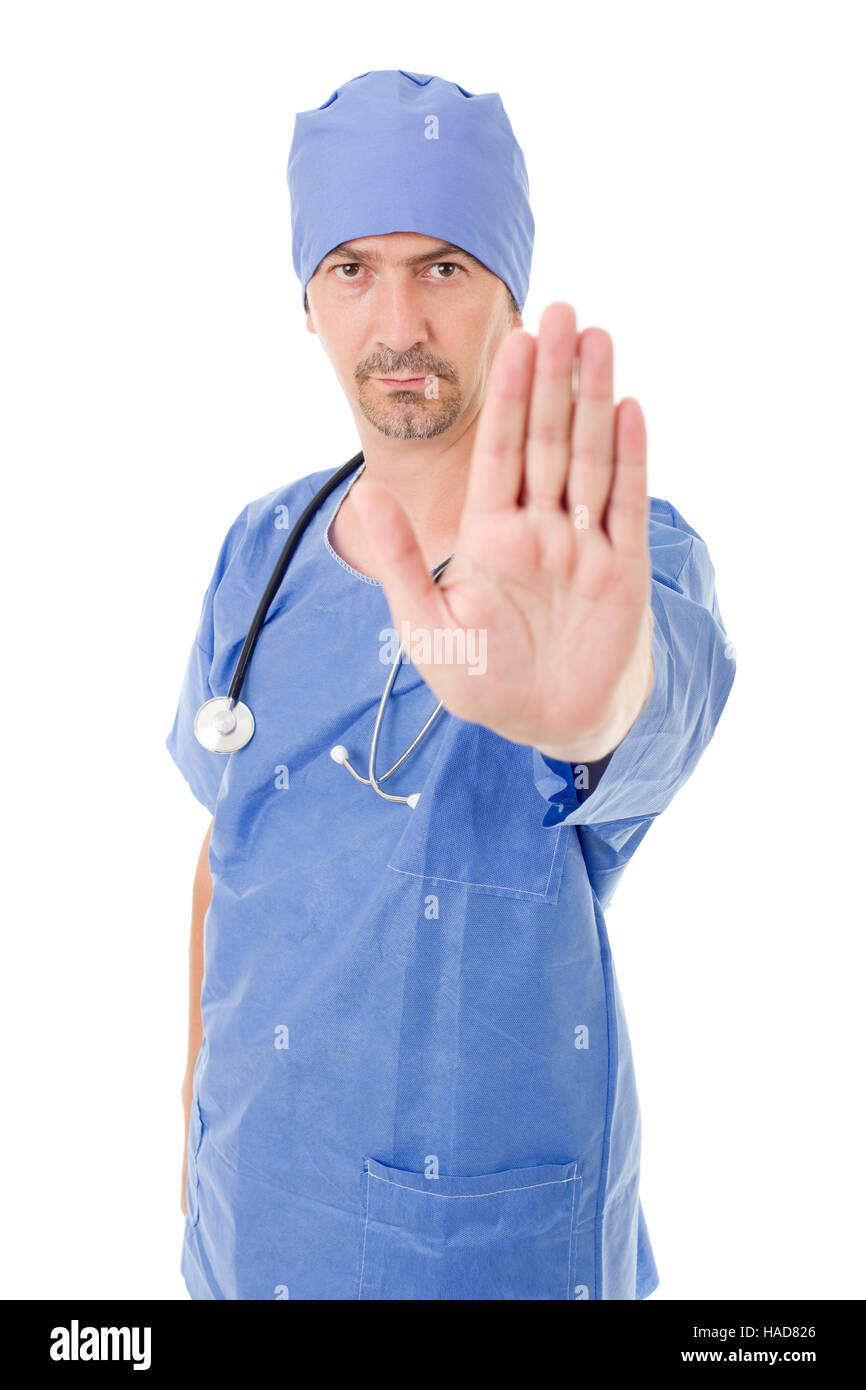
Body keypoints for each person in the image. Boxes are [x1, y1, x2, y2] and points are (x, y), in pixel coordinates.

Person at [166, 69, 736, 1301]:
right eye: (352, 269)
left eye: (442, 267)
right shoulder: (258, 548)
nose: (396, 325)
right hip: (246, 1226)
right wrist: (191, 1118)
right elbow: (229, 846)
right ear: (307, 303)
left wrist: (591, 709)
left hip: (486, 1253)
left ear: (506, 297)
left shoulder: (604, 548)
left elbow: (651, 697)